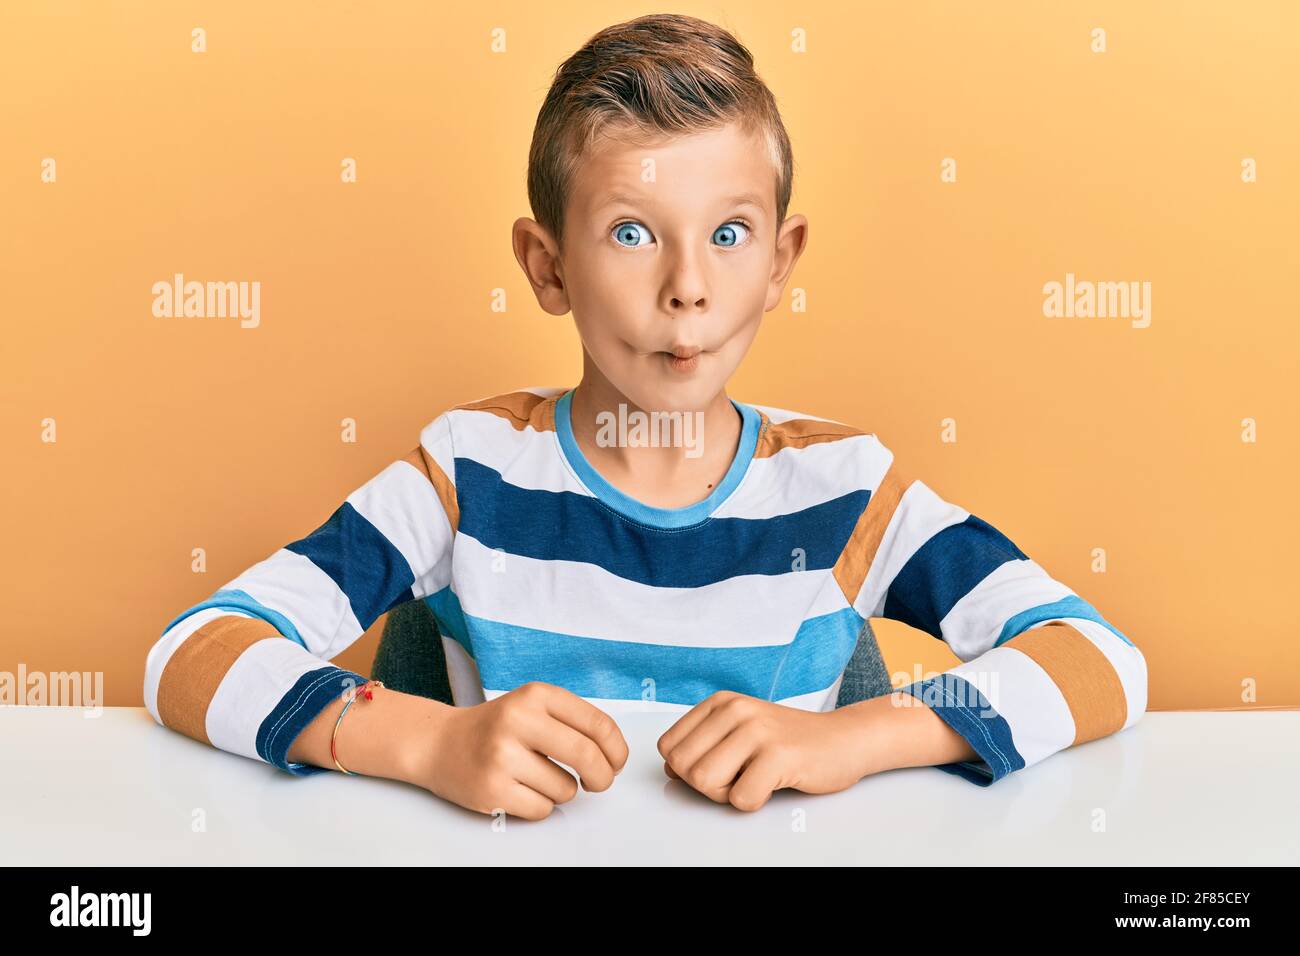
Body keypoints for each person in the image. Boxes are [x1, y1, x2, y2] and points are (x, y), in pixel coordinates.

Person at [144, 13, 1147, 820]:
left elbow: (1094, 654)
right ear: (548, 266)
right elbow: (193, 650)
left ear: (780, 262)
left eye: (728, 233)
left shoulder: (841, 490)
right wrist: (427, 742)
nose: (688, 288)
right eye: (631, 231)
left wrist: (850, 737)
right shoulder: (467, 475)